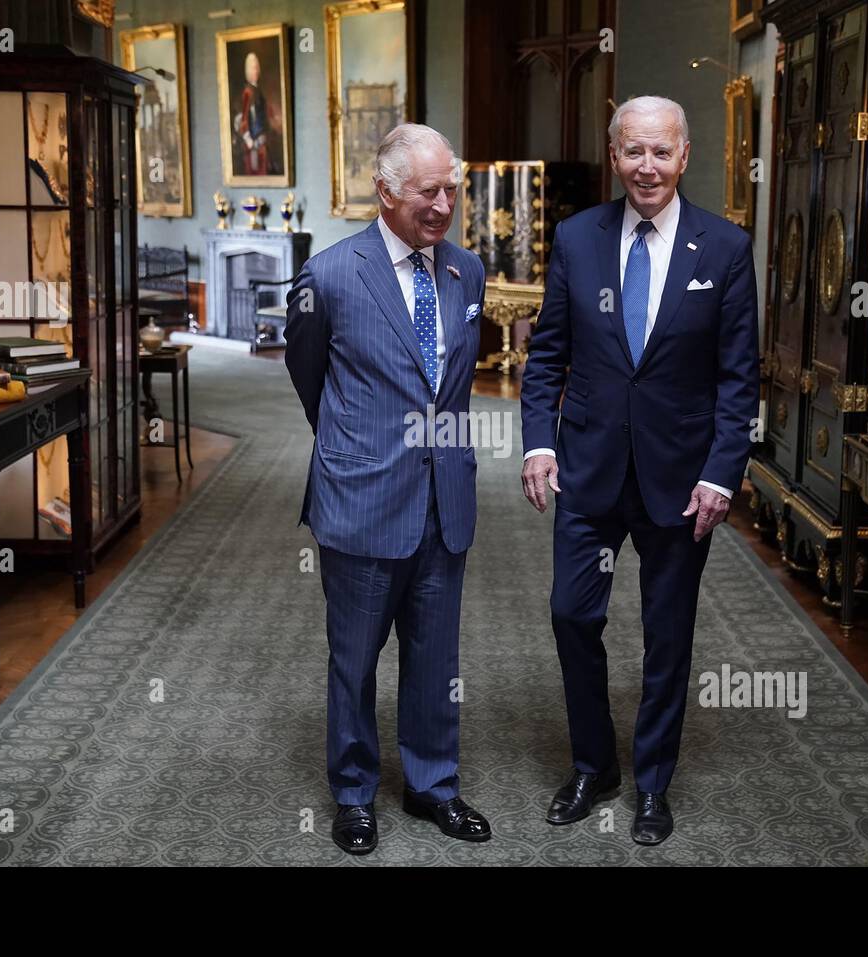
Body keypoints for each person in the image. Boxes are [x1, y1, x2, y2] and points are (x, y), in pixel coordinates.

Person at [520, 95, 759, 845]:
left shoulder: (724, 248)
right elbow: (546, 356)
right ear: (614, 154)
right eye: (633, 151)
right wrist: (537, 442)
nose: (646, 166)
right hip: (588, 472)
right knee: (570, 613)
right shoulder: (576, 238)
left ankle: (653, 782)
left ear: (685, 156)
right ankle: (595, 765)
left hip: (681, 482)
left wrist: (723, 471)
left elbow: (738, 376)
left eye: (661, 152)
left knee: (668, 634)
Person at [284, 123, 490, 855]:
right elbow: (309, 374)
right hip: (362, 497)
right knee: (356, 656)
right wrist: (354, 441)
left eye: (451, 189)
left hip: (445, 499)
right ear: (386, 191)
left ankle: (434, 785)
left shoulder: (469, 271)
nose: (443, 205)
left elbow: (457, 389)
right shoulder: (332, 276)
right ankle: (353, 792)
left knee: (437, 656)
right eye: (428, 191)